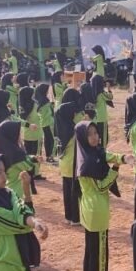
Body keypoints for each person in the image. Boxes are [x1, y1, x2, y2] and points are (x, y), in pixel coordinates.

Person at [75, 120, 130, 271]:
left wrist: (123, 158)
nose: (94, 137)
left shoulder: (88, 154)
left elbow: (106, 154)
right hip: (96, 211)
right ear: (83, 137)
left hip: (89, 209)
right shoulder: (88, 163)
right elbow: (101, 186)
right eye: (90, 134)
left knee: (91, 253)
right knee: (99, 256)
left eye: (96, 132)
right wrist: (115, 169)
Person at [54, 88, 85, 225]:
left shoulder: (60, 120)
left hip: (64, 162)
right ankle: (76, 218)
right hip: (73, 162)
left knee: (67, 190)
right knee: (76, 190)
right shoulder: (74, 126)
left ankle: (68, 217)